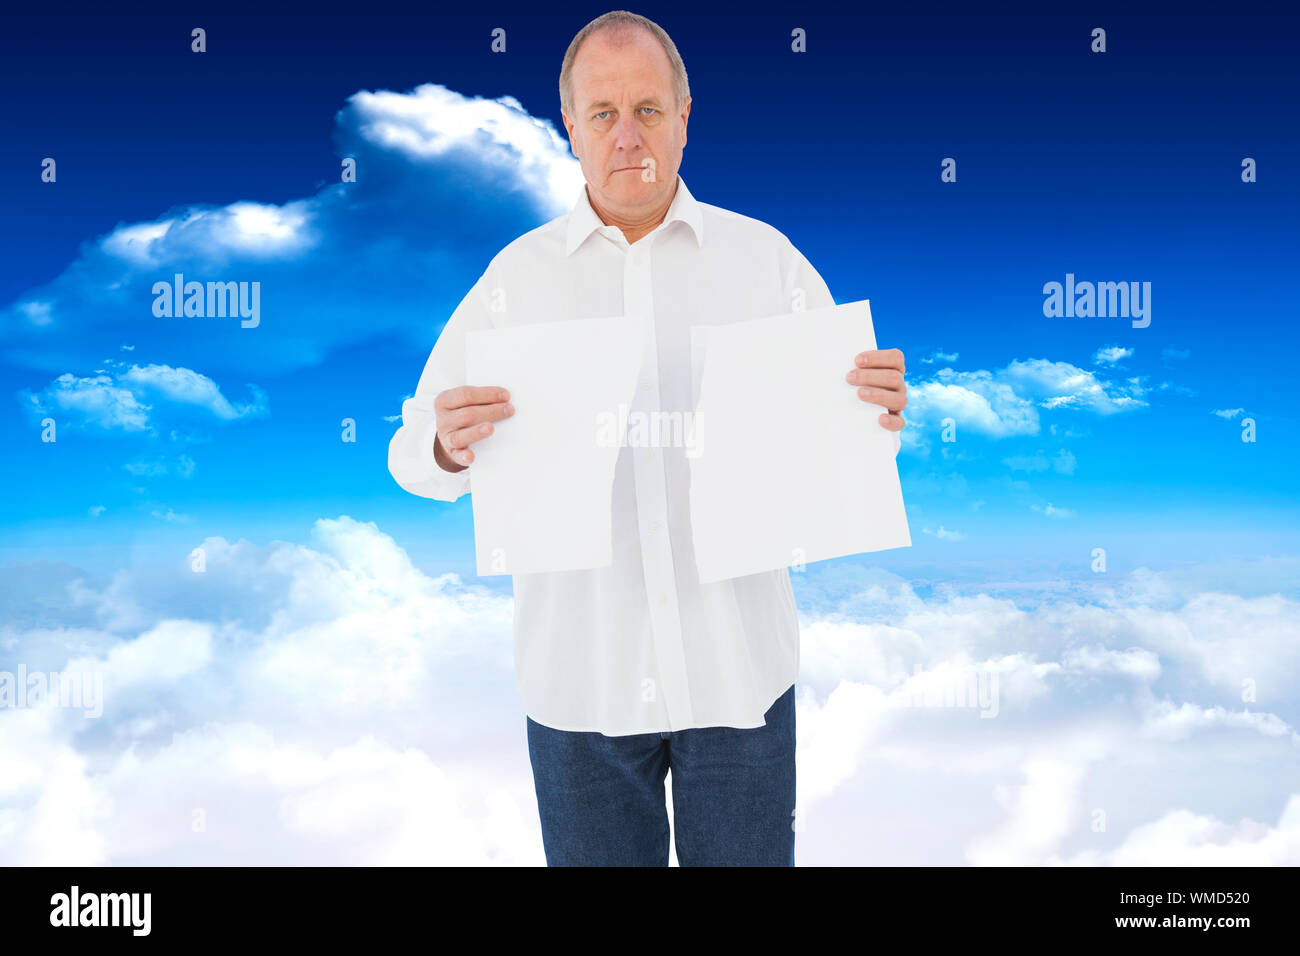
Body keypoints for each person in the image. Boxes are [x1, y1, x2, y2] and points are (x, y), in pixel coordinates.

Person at [388, 9, 907, 866]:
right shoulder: (516, 278)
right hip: (579, 688)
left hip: (737, 677)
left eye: (649, 110)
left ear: (685, 115)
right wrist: (445, 445)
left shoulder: (764, 260)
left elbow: (849, 439)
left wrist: (879, 415)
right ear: (571, 128)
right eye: (603, 114)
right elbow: (412, 456)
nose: (628, 137)